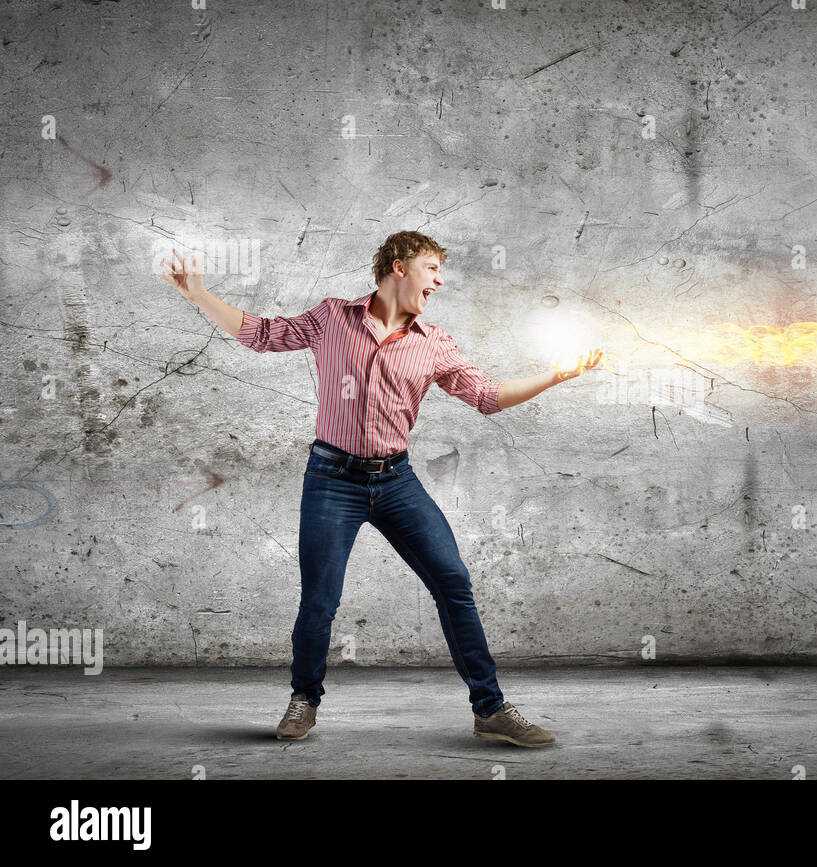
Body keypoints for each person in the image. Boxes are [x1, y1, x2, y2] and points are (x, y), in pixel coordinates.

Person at [161, 230, 602, 747]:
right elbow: (262, 334)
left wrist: (555, 376)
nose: (439, 279)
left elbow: (486, 397)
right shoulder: (332, 318)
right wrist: (198, 294)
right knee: (321, 601)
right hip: (332, 480)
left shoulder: (434, 344)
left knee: (453, 583)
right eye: (432, 268)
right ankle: (304, 699)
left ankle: (491, 708)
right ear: (399, 266)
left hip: (396, 481)